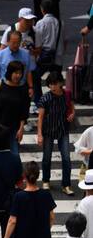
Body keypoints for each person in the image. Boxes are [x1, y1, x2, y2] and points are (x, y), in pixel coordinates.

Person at [38, 70, 76, 198]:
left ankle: (66, 185)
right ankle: (45, 180)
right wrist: (39, 134)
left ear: (61, 83)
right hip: (48, 131)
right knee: (47, 157)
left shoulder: (66, 94)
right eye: (50, 84)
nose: (52, 87)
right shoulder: (45, 98)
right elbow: (40, 118)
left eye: (55, 84)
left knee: (66, 158)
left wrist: (72, 114)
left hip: (63, 130)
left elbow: (71, 106)